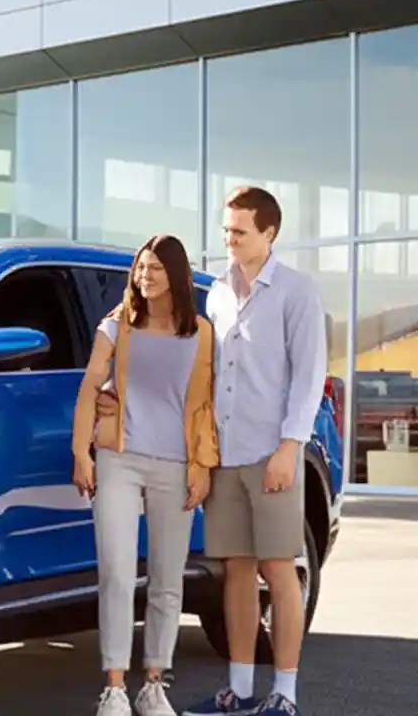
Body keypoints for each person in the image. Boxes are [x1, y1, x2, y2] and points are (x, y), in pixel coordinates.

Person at [100, 187, 327, 716]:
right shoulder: (219, 293)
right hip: (223, 456)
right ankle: (239, 690)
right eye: (226, 230)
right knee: (237, 571)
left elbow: (309, 375)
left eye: (239, 231)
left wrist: (290, 445)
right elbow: (196, 370)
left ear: (269, 233)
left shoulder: (296, 292)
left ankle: (284, 695)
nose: (229, 239)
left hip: (272, 452)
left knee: (279, 570)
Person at [73, 233, 220, 716]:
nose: (144, 276)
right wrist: (82, 453)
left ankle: (153, 684)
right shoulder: (117, 327)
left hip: (175, 467)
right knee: (115, 573)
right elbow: (91, 386)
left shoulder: (201, 333)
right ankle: (113, 688)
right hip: (120, 458)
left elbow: (204, 407)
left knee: (167, 580)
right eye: (140, 267)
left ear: (175, 275)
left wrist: (203, 467)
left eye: (155, 268)